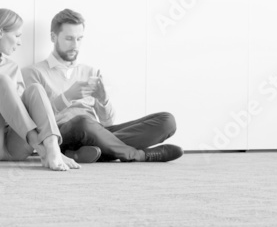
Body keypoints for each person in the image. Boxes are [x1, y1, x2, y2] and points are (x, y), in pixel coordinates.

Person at [21, 9, 182, 163]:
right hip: (62, 135)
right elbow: (35, 123)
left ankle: (91, 153)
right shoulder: (33, 72)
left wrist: (104, 100)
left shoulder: (91, 72)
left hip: (96, 131)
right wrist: (67, 97)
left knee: (166, 121)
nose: (75, 45)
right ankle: (137, 154)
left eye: (79, 38)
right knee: (82, 122)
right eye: (69, 39)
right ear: (53, 37)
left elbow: (107, 124)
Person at [0, 8, 80, 172]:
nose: (20, 42)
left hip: (15, 145)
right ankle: (39, 147)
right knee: (1, 81)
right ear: (0, 33)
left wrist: (10, 112)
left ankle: (52, 147)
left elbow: (22, 109)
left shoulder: (13, 67)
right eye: (17, 36)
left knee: (35, 89)